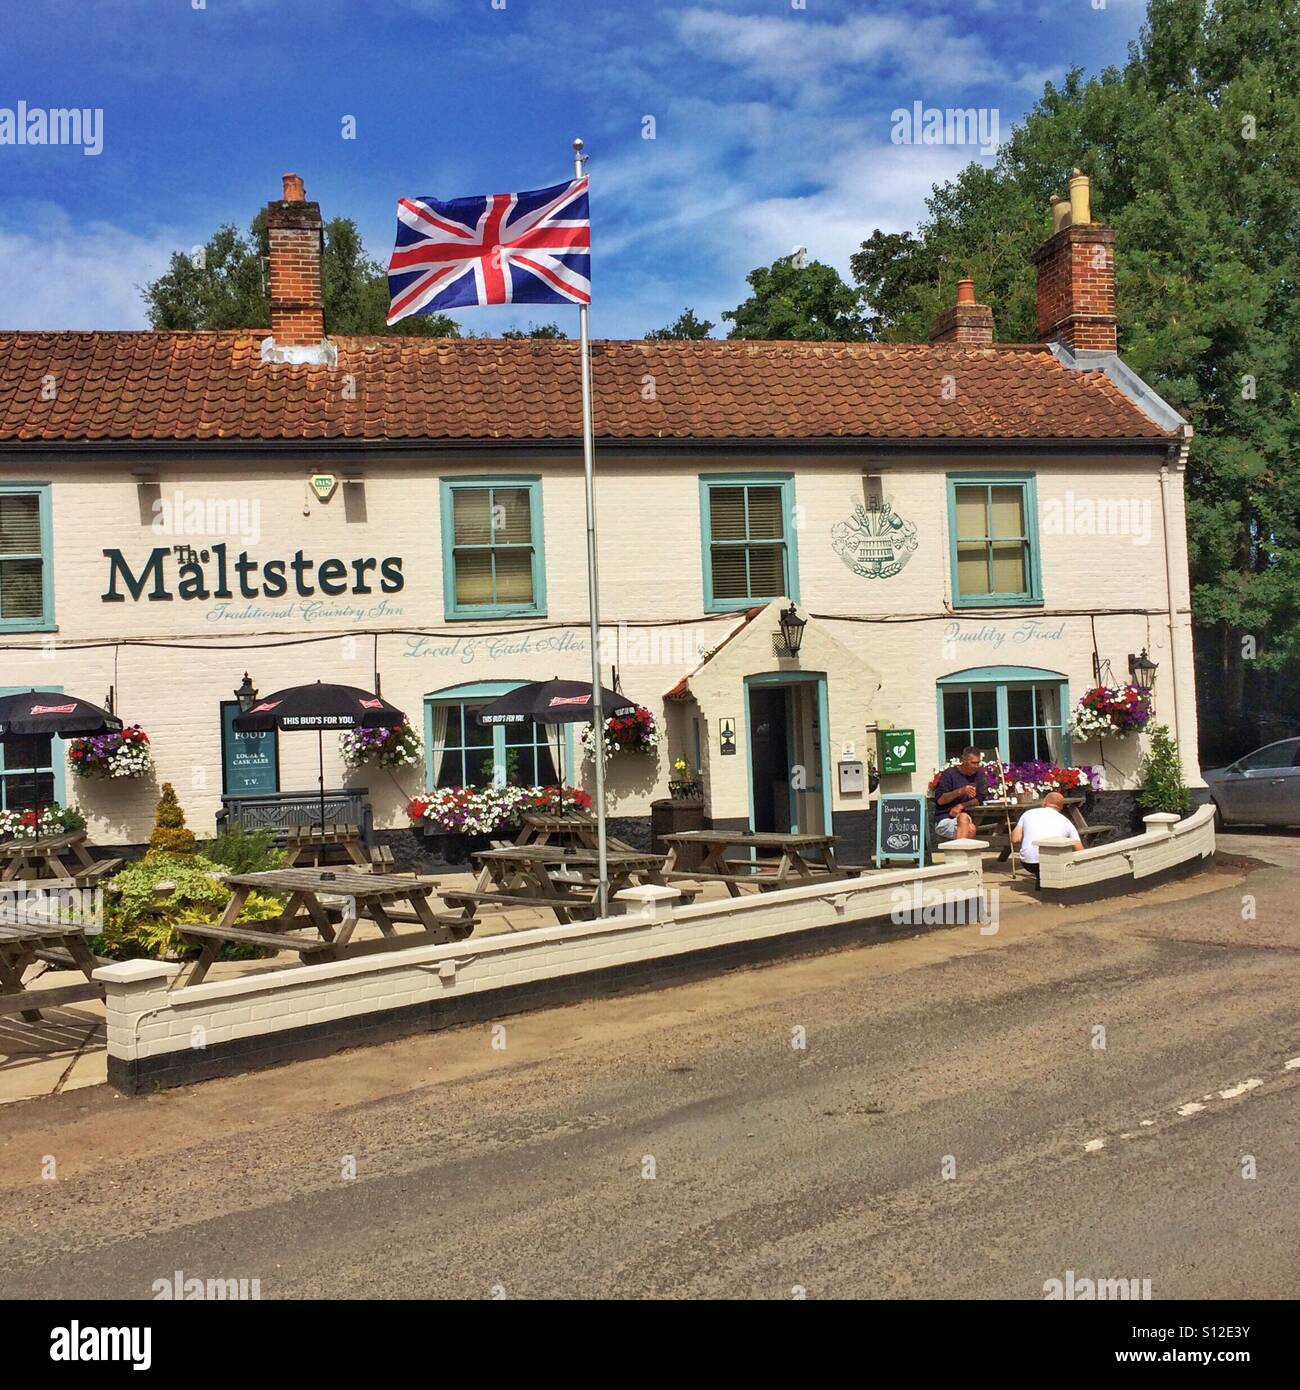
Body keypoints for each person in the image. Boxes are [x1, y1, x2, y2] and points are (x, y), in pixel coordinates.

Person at [1011, 791, 1084, 887]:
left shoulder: (1028, 813)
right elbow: (1080, 850)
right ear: (1061, 807)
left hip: (1028, 863)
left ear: (1044, 802)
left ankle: (1040, 881)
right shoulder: (1067, 822)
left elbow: (1015, 839)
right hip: (1052, 864)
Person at [933, 747, 992, 841]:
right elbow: (940, 800)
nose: (976, 766)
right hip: (945, 818)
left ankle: (958, 855)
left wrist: (961, 805)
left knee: (968, 823)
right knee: (969, 826)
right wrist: (960, 791)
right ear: (963, 760)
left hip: (966, 817)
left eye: (978, 763)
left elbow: (980, 798)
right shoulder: (949, 774)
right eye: (973, 763)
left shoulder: (979, 774)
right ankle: (959, 855)